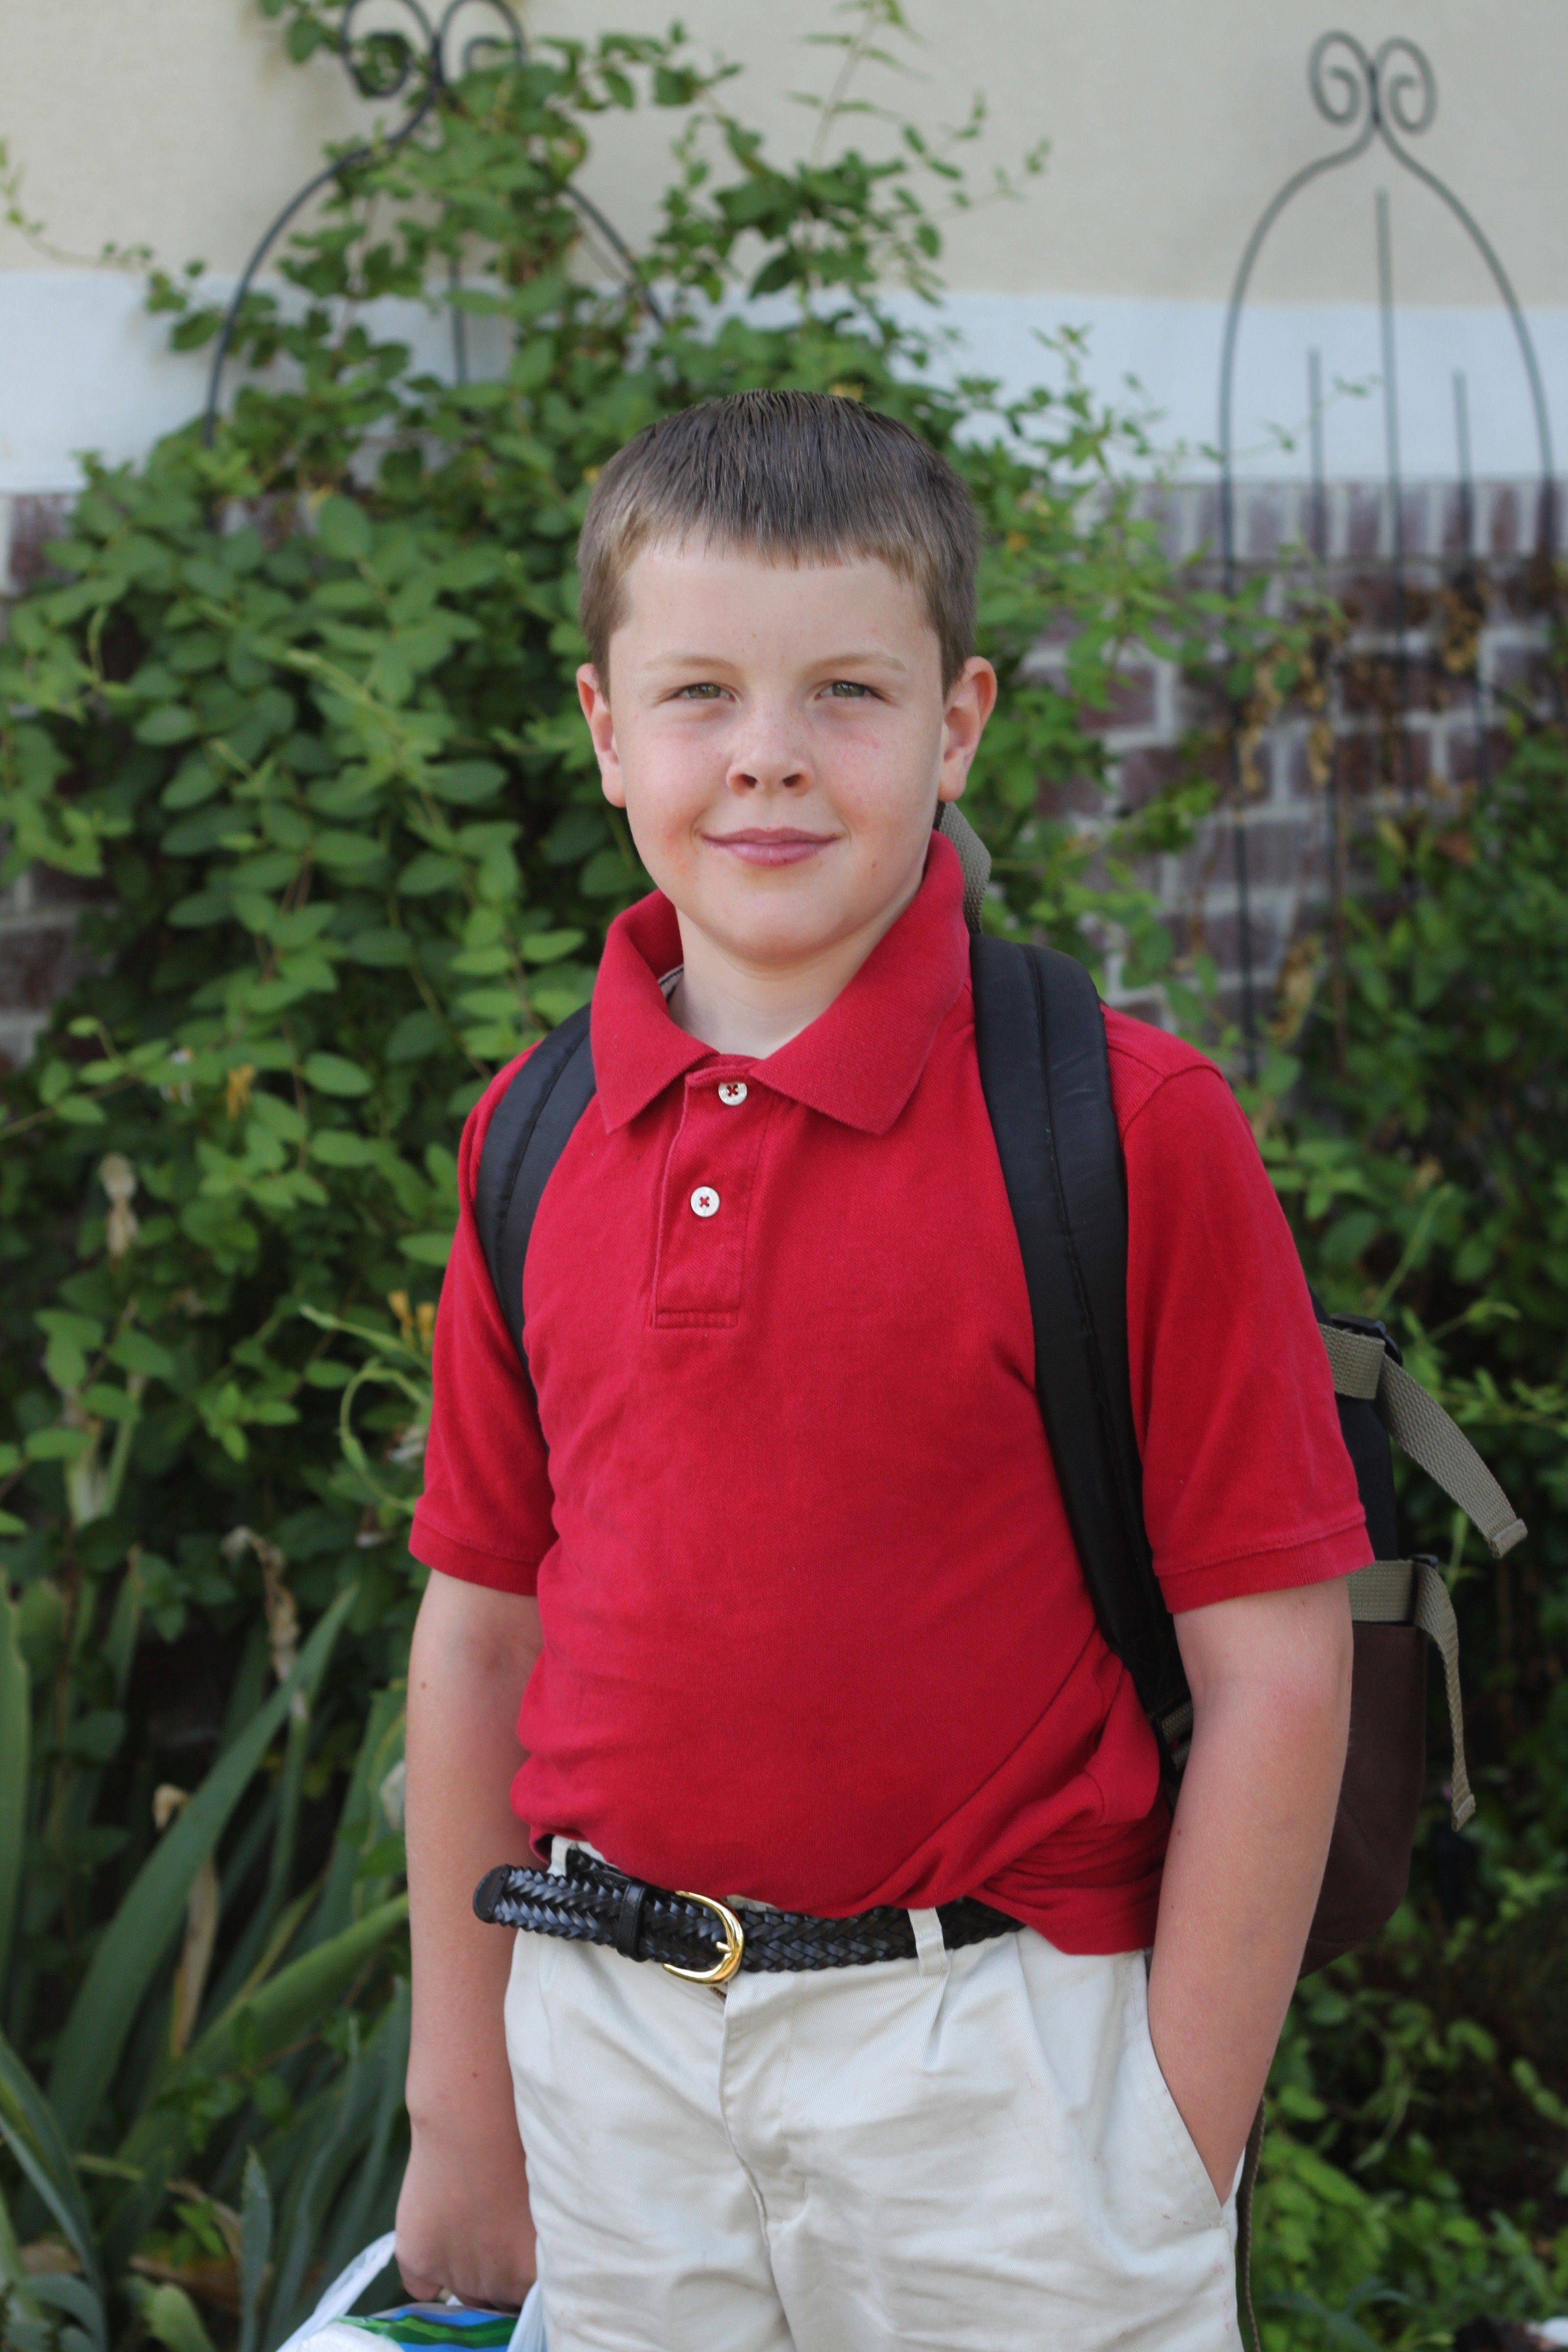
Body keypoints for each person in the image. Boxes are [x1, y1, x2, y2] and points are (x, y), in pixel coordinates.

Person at [395, 390, 1364, 2351]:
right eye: (699, 697)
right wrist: (466, 2098)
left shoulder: (1119, 1127)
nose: (767, 760)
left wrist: (1177, 2136)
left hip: (1005, 2083)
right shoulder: (533, 1137)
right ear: (603, 732)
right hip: (615, 2065)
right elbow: (480, 1634)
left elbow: (1277, 1666)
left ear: (959, 721)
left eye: (845, 689)